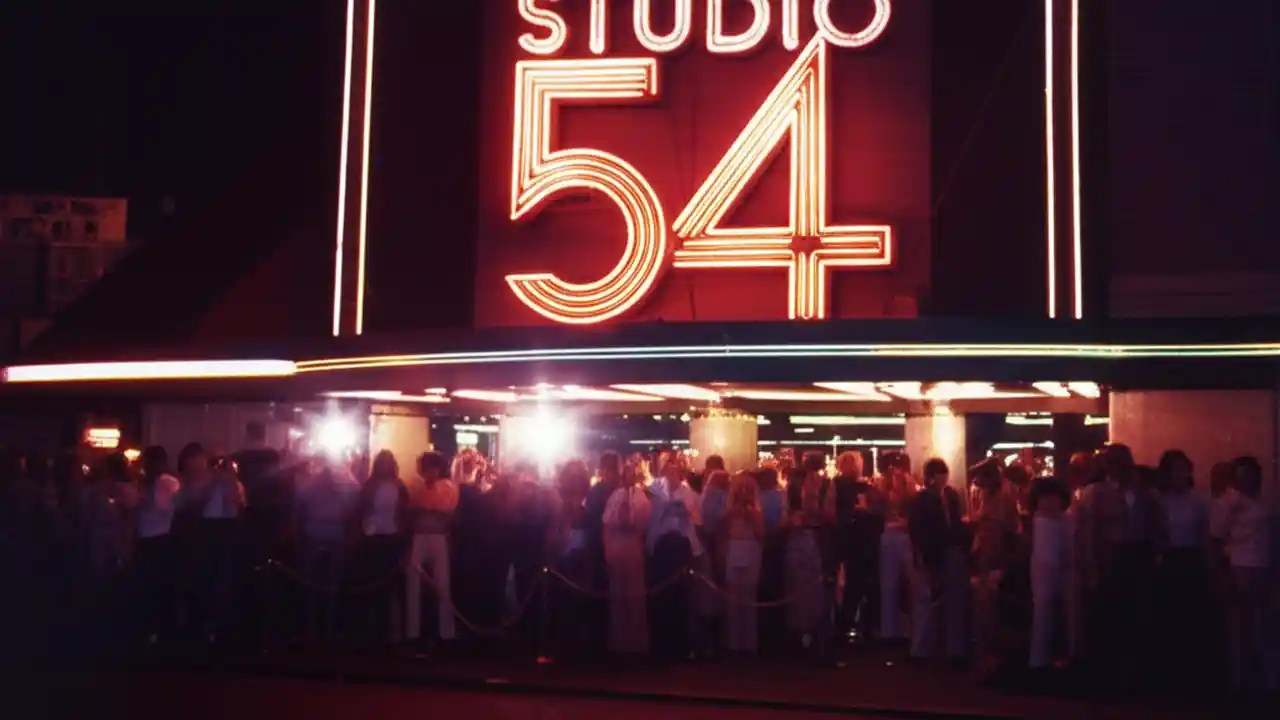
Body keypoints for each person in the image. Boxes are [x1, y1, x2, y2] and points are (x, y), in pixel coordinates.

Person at [1213, 456, 1273, 694]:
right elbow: (1216, 539)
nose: (1247, 479)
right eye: (1242, 475)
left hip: (1263, 566)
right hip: (1239, 566)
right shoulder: (1228, 502)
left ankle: (1263, 677)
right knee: (1240, 626)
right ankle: (1240, 680)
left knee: (1263, 625)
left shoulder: (1263, 501)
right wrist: (1222, 572)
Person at [1155, 449, 1213, 687]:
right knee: (1170, 618)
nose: (1180, 475)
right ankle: (1170, 673)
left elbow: (1205, 535)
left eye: (1184, 470)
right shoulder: (1159, 501)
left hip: (1191, 559)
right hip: (1169, 559)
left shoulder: (1198, 501)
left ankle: (1191, 674)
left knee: (1191, 617)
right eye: (1176, 470)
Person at [293, 455, 358, 644]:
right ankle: (318, 630)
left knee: (323, 585)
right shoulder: (322, 486)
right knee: (321, 585)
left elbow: (298, 509)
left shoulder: (312, 486)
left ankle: (318, 630)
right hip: (322, 537)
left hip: (322, 537)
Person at [908, 458, 967, 663]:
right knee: (932, 602)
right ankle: (929, 649)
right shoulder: (924, 500)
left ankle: (936, 648)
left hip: (944, 550)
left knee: (943, 601)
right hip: (935, 551)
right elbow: (918, 530)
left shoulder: (947, 497)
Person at [646, 451, 702, 659]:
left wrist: (685, 513)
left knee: (681, 595)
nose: (671, 471)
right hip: (662, 546)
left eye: (674, 468)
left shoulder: (690, 494)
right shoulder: (653, 491)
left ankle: (681, 644)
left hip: (681, 546)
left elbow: (697, 521)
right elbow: (649, 519)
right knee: (662, 595)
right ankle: (662, 644)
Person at [353, 450, 409, 646]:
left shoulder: (398, 487)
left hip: (390, 538)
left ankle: (386, 633)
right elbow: (360, 511)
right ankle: (371, 633)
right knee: (372, 586)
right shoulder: (371, 486)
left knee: (387, 587)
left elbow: (404, 515)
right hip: (373, 538)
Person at [969, 457, 1018, 674]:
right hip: (997, 560)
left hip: (989, 561)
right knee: (991, 612)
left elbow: (990, 536)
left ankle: (988, 662)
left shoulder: (993, 503)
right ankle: (993, 661)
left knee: (986, 613)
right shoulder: (1005, 498)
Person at [601, 452, 652, 655]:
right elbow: (607, 523)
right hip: (617, 547)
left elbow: (640, 524)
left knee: (633, 596)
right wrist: (607, 549)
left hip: (632, 547)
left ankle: (635, 642)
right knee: (618, 597)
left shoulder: (640, 497)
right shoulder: (616, 496)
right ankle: (619, 642)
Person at [405, 451, 458, 646]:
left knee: (442, 585)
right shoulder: (415, 486)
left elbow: (446, 511)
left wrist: (427, 509)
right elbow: (413, 509)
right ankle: (413, 633)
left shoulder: (447, 487)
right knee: (413, 583)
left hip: (437, 537)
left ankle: (446, 633)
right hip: (420, 536)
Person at [785, 452, 834, 654]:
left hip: (800, 538)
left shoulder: (794, 485)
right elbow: (830, 515)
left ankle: (801, 638)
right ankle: (815, 640)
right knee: (816, 592)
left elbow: (786, 514)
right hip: (815, 538)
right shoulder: (825, 485)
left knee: (799, 589)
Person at [832, 451, 881, 641]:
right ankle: (861, 625)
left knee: (852, 585)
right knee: (859, 585)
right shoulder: (864, 488)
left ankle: (847, 624)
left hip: (851, 541)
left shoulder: (837, 487)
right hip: (859, 541)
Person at [135, 446, 182, 645]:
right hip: (146, 540)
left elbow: (164, 507)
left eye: (148, 462)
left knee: (159, 587)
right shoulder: (146, 482)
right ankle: (151, 630)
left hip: (160, 539)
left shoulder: (166, 482)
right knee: (148, 588)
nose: (146, 466)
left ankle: (161, 632)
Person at [1029, 476, 1073, 670]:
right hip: (1049, 569)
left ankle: (1041, 660)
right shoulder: (1059, 520)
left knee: (1046, 613)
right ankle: (1043, 660)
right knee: (1047, 613)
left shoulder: (1046, 520)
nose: (1050, 502)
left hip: (1049, 568)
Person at [721, 471, 764, 654]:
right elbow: (723, 531)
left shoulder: (756, 512)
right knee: (733, 598)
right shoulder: (729, 512)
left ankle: (748, 643)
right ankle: (734, 643)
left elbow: (761, 534)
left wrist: (751, 515)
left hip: (751, 551)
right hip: (734, 550)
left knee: (748, 598)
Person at [879, 452, 916, 644]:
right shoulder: (886, 484)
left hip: (895, 533)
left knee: (895, 584)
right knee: (896, 584)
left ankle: (893, 630)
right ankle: (894, 630)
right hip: (899, 533)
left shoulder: (898, 483)